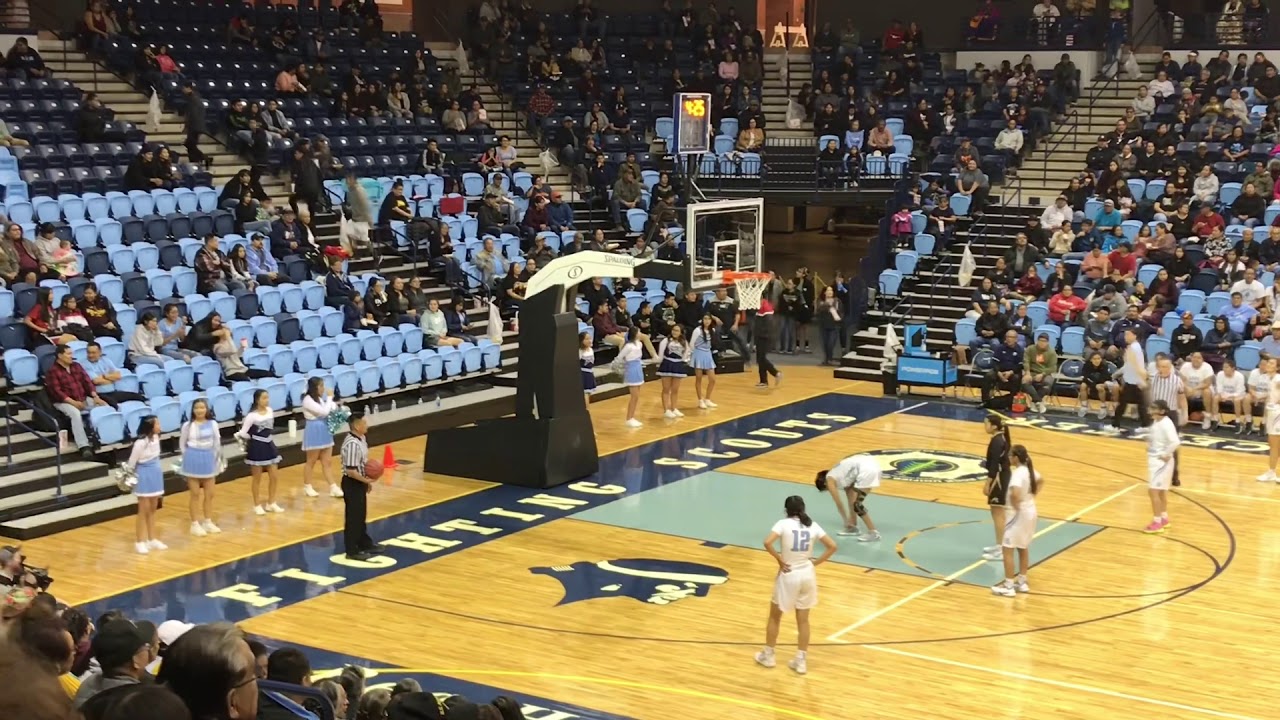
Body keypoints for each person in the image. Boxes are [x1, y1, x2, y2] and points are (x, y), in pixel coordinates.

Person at [754, 495, 837, 676]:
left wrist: (779, 560)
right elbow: (832, 546)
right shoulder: (812, 525)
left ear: (786, 510)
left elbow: (767, 542)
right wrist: (814, 563)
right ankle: (801, 661)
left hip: (789, 574)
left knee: (775, 617)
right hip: (807, 574)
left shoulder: (783, 524)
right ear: (803, 509)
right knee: (804, 620)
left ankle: (768, 655)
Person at [991, 444, 1042, 596]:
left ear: (1015, 458)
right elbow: (1041, 481)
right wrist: (1032, 496)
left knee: (1007, 549)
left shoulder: (1018, 474)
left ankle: (1008, 586)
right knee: (1023, 546)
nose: (1008, 458)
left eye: (1010, 455)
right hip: (1031, 511)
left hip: (1018, 514)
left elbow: (1014, 493)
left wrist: (1016, 505)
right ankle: (1022, 581)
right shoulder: (1029, 470)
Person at [45, 344, 101, 459]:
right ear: (60, 356)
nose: (72, 356)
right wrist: (74, 403)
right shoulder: (52, 371)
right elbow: (57, 392)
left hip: (82, 398)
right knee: (75, 413)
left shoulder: (76, 366)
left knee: (102, 406)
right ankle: (83, 445)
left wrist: (95, 396)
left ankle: (102, 437)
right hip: (63, 402)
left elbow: (87, 382)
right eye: (69, 354)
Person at [340, 412, 383, 561]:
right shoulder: (352, 444)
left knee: (360, 515)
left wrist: (365, 481)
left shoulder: (362, 438)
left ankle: (364, 543)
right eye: (364, 423)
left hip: (359, 481)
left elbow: (362, 464)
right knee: (353, 517)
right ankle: (351, 551)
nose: (367, 425)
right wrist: (366, 481)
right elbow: (351, 471)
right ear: (357, 426)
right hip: (352, 482)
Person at [236, 389, 283, 515]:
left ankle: (271, 502)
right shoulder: (251, 416)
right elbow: (243, 433)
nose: (267, 400)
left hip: (269, 444)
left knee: (274, 476)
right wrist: (252, 439)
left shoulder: (270, 411)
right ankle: (257, 504)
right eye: (264, 398)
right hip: (257, 447)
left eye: (267, 397)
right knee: (257, 478)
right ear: (257, 400)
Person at [814, 453, 882, 541]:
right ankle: (853, 526)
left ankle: (873, 532)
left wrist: (845, 521)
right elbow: (850, 495)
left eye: (827, 489)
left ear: (824, 483)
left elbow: (838, 503)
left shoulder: (829, 479)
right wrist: (851, 522)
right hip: (873, 465)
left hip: (867, 470)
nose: (830, 490)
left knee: (857, 505)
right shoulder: (841, 474)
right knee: (852, 498)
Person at [179, 398, 221, 538]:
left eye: (202, 407)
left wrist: (216, 458)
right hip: (192, 459)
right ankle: (195, 524)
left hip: (208, 458)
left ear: (207, 409)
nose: (199, 410)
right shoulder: (187, 425)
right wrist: (188, 456)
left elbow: (217, 442)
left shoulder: (213, 424)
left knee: (210, 494)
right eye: (196, 408)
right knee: (195, 494)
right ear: (193, 410)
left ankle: (208, 521)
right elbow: (182, 444)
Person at [125, 416, 165, 554]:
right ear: (150, 426)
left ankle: (152, 538)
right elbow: (132, 462)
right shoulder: (140, 443)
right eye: (157, 423)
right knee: (143, 510)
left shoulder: (156, 438)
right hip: (143, 474)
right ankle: (140, 541)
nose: (159, 425)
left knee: (153, 508)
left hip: (156, 473)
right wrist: (131, 478)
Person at [1145, 400, 1180, 532]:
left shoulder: (1166, 424)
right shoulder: (1157, 421)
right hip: (1156, 460)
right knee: (1161, 492)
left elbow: (1175, 442)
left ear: (1162, 411)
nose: (1151, 411)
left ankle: (1157, 522)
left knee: (1153, 491)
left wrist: (1166, 454)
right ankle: (1164, 518)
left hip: (1160, 463)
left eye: (1154, 409)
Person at [982, 414, 1012, 561]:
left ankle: (1002, 549)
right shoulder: (1000, 438)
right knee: (996, 512)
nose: (984, 426)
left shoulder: (997, 441)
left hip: (999, 478)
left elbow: (994, 465)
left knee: (998, 513)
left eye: (986, 423)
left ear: (994, 426)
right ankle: (999, 545)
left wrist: (988, 483)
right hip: (1001, 476)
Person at [1109, 328, 1150, 434]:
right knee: (1139, 404)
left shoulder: (1133, 348)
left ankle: (1115, 425)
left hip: (1134, 381)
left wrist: (1141, 379)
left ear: (1135, 336)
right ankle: (1145, 425)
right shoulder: (1135, 347)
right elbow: (1129, 365)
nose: (1125, 337)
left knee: (1123, 404)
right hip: (1133, 380)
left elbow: (1136, 365)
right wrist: (1117, 373)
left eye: (1128, 334)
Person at [657, 324, 690, 419]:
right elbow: (660, 354)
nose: (674, 332)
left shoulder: (684, 342)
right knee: (666, 388)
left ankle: (674, 408)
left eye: (677, 330)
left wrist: (681, 361)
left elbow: (685, 355)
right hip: (667, 364)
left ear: (681, 332)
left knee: (675, 389)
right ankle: (666, 410)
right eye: (673, 330)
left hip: (677, 365)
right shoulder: (665, 341)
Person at [690, 314, 719, 409]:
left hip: (708, 354)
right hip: (698, 353)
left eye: (708, 319)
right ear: (702, 320)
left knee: (712, 379)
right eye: (705, 319)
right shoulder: (697, 330)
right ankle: (700, 400)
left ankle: (708, 399)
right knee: (699, 378)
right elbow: (692, 344)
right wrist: (693, 355)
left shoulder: (712, 330)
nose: (707, 321)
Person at [1078, 351, 1118, 418]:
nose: (1097, 361)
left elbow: (1103, 378)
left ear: (1101, 359)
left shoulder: (1104, 365)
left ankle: (1103, 407)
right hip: (1091, 382)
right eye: (1094, 359)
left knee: (1100, 387)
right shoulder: (1087, 365)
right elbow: (1085, 377)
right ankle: (1084, 406)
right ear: (1091, 360)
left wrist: (1095, 384)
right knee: (1083, 385)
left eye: (1098, 358)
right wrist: (1093, 385)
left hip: (1103, 382)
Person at [619, 327, 645, 428]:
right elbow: (619, 357)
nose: (640, 333)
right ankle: (629, 418)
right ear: (635, 334)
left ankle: (632, 417)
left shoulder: (639, 344)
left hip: (638, 368)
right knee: (634, 396)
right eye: (639, 332)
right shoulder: (628, 346)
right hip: (631, 369)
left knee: (637, 396)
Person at [753, 296, 781, 388]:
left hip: (765, 337)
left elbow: (770, 325)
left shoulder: (766, 308)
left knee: (761, 359)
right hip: (760, 336)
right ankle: (763, 381)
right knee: (760, 359)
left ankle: (775, 373)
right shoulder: (760, 308)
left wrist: (765, 335)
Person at [1259, 356, 1280, 482]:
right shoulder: (1269, 379)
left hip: (1278, 413)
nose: (1268, 364)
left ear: (1277, 367)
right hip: (1272, 413)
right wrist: (1265, 416)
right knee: (1272, 444)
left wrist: (1277, 403)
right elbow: (1269, 397)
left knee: (1275, 444)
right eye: (1268, 362)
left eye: (1272, 363)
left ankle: (1272, 472)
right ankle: (1271, 472)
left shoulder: (1278, 379)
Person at [1212, 358, 1247, 431]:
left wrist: (1228, 396)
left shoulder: (1239, 376)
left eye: (1226, 367)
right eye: (1223, 367)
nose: (1224, 369)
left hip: (1238, 395)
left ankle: (1237, 421)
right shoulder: (1220, 374)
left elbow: (1239, 392)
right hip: (1224, 395)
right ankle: (1215, 419)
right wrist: (1222, 395)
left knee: (1237, 400)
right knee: (1215, 398)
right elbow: (1219, 388)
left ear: (1233, 368)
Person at [579, 331, 596, 400]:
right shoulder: (580, 351)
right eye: (586, 339)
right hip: (583, 374)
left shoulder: (591, 350)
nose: (589, 340)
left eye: (590, 338)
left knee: (588, 394)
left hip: (590, 373)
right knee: (585, 393)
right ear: (581, 341)